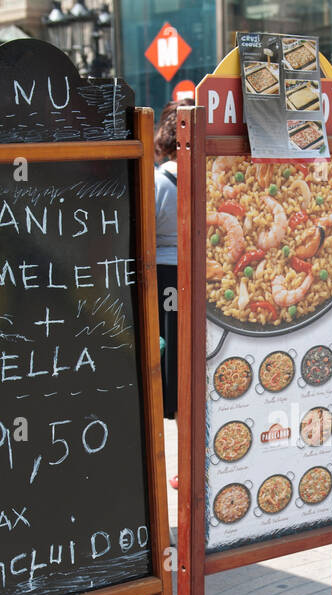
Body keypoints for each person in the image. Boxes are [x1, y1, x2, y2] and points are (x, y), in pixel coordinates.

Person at [152, 103, 179, 421]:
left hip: (163, 276)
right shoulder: (208, 174)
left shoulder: (158, 183)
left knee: (167, 345)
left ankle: (168, 402)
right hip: (198, 272)